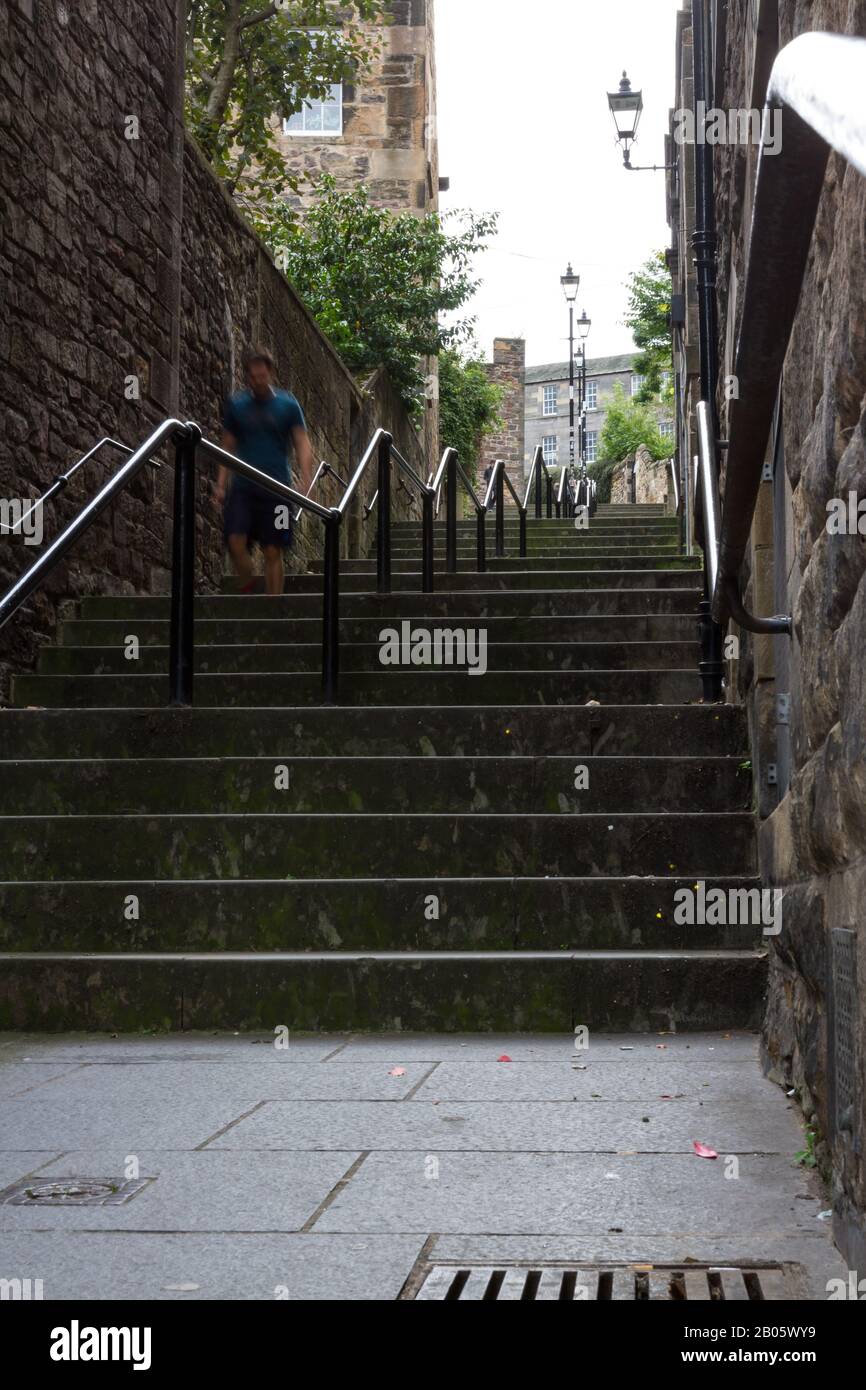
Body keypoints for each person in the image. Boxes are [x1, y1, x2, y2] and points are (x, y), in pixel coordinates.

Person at [213, 350, 315, 596]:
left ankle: (273, 607)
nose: (258, 379)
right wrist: (220, 484)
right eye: (253, 375)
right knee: (235, 541)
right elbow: (227, 446)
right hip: (243, 488)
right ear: (248, 376)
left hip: (277, 489)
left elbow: (302, 442)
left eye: (262, 374)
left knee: (272, 549)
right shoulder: (237, 406)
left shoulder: (288, 405)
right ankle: (247, 583)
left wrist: (306, 477)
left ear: (270, 373)